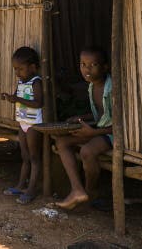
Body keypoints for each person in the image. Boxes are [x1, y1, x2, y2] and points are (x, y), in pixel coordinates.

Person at [53, 46, 113, 210]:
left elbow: (121, 124)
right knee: (62, 141)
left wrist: (93, 132)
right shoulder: (92, 86)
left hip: (113, 134)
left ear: (105, 67)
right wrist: (81, 119)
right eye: (83, 64)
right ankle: (77, 190)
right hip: (100, 130)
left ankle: (91, 191)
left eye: (93, 65)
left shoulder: (112, 88)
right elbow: (100, 115)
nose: (86, 69)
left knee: (87, 151)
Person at [0, 46, 43, 204]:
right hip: (22, 123)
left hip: (33, 124)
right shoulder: (21, 81)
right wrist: (10, 97)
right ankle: (20, 185)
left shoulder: (36, 82)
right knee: (25, 156)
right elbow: (18, 97)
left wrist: (17, 99)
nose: (17, 72)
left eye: (20, 69)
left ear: (32, 67)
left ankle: (31, 190)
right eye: (15, 69)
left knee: (33, 157)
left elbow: (38, 103)